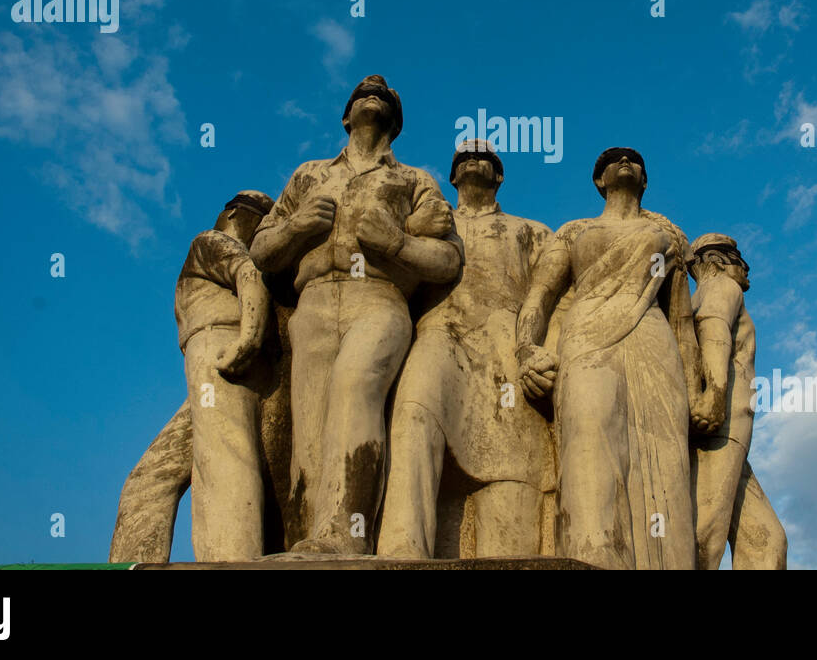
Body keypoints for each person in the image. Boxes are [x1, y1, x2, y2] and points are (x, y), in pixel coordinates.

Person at [250, 75, 462, 554]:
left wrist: (396, 242)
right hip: (315, 304)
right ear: (346, 116)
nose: (374, 87)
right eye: (362, 91)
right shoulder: (308, 175)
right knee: (311, 433)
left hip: (380, 299)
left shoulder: (413, 180)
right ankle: (312, 542)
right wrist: (299, 226)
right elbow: (261, 249)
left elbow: (449, 260)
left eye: (384, 93)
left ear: (396, 121)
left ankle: (347, 536)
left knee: (355, 388)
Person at [515, 148, 698, 569]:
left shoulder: (668, 234)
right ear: (599, 180)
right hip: (587, 336)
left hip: (652, 338)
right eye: (613, 160)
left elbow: (682, 320)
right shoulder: (575, 230)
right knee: (589, 435)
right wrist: (526, 349)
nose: (625, 162)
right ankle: (594, 556)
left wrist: (699, 389)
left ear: (646, 180)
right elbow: (539, 297)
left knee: (666, 457)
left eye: (635, 159)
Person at [378, 141, 554, 558]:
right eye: (464, 158)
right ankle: (402, 555)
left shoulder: (531, 231)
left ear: (499, 175)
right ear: (453, 175)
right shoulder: (425, 225)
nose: (474, 162)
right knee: (413, 419)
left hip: (506, 349)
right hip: (440, 336)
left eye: (486, 159)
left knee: (511, 484)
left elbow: (554, 299)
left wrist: (543, 352)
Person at [176, 190, 276, 561]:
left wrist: (248, 338)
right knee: (149, 479)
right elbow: (247, 270)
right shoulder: (212, 240)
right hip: (213, 356)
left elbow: (248, 272)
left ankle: (233, 559)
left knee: (225, 457)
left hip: (221, 350)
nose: (264, 231)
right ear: (235, 214)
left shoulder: (230, 248)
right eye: (261, 221)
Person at [686, 233, 787, 570]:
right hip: (720, 427)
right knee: (705, 536)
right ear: (721, 260)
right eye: (744, 265)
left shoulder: (699, 296)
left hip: (729, 434)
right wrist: (714, 396)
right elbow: (714, 329)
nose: (747, 275)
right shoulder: (720, 287)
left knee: (766, 540)